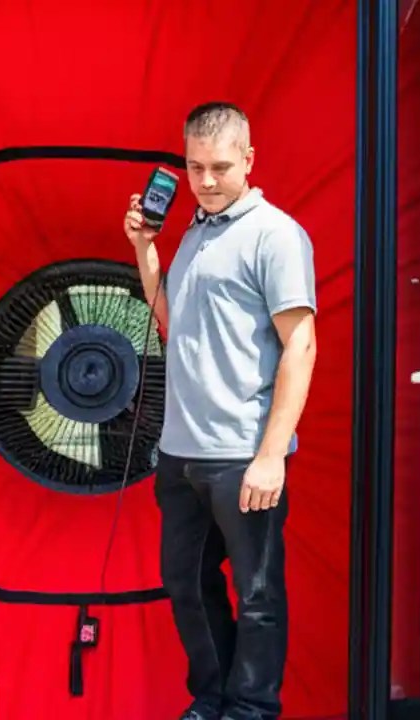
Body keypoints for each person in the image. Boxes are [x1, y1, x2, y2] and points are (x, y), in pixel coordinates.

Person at [122, 102, 317, 720]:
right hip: (180, 454)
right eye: (194, 166)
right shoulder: (193, 234)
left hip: (242, 457)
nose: (205, 181)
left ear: (250, 161)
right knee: (187, 585)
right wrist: (144, 248)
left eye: (220, 167)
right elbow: (172, 323)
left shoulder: (275, 235)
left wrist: (269, 457)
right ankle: (213, 700)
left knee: (257, 596)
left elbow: (302, 345)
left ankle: (253, 709)